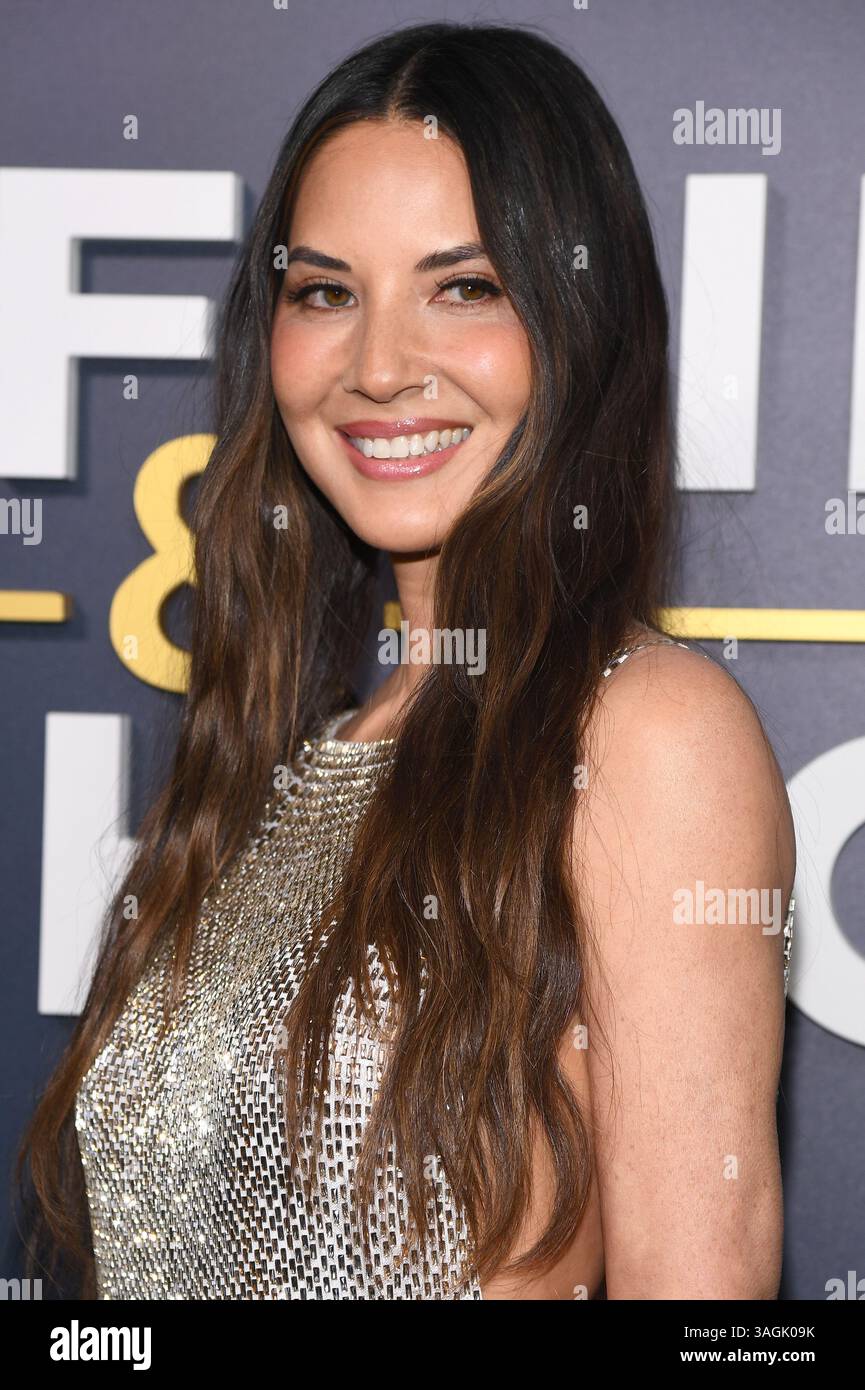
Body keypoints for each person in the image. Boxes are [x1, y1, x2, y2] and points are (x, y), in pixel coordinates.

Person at [18, 20, 795, 1300]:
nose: (379, 367)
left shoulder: (644, 732)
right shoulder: (276, 762)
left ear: (575, 318)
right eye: (326, 292)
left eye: (464, 287)